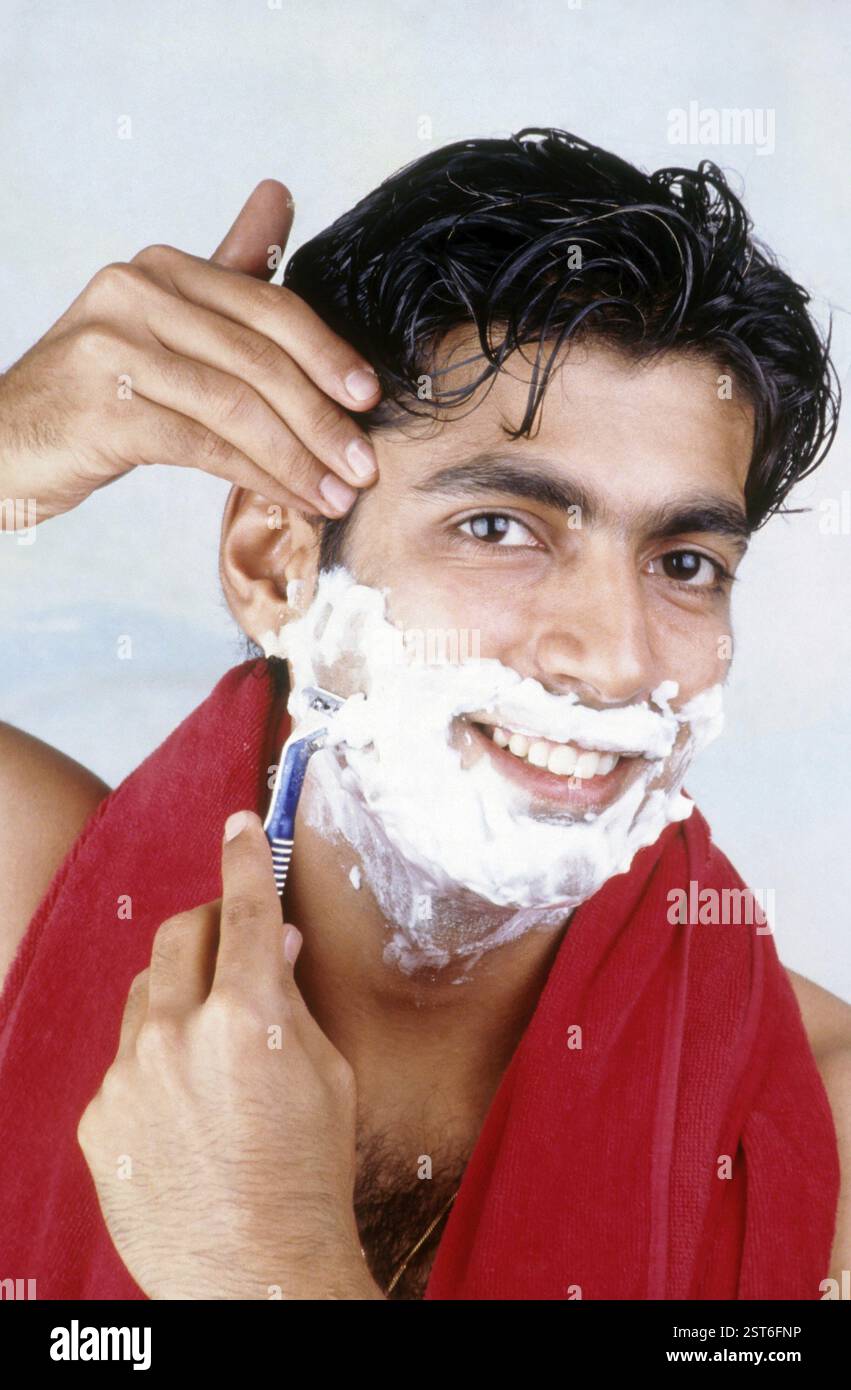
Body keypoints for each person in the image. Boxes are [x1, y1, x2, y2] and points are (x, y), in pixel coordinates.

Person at [0, 130, 849, 1301]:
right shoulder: (23, 902)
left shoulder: (821, 1132)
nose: (613, 656)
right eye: (500, 526)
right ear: (274, 563)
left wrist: (266, 1269)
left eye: (685, 560)